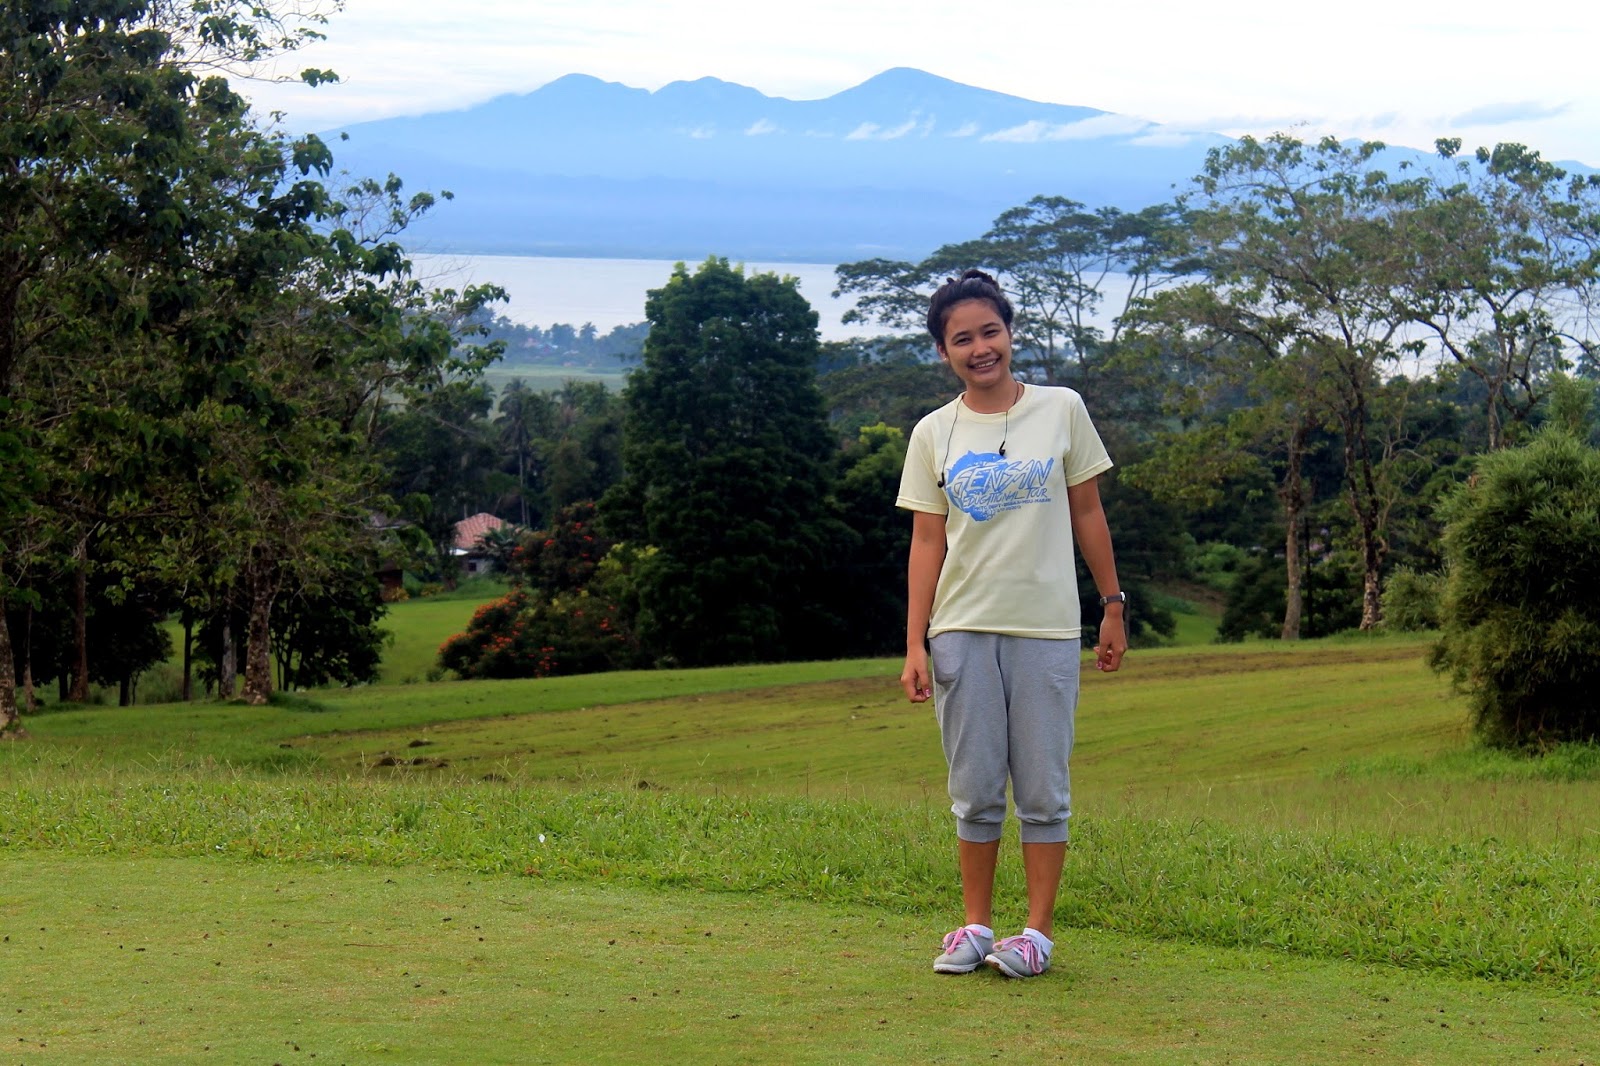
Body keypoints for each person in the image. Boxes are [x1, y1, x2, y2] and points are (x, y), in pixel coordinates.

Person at [896, 269, 1126, 979]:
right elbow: (927, 541)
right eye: (961, 339)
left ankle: (1036, 934)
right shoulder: (933, 432)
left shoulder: (1061, 409)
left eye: (989, 332)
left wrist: (1113, 604)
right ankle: (973, 926)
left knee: (1043, 786)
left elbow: (1087, 511)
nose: (979, 348)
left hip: (1046, 627)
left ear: (1010, 332)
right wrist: (913, 642)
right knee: (974, 784)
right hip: (960, 626)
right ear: (944, 351)